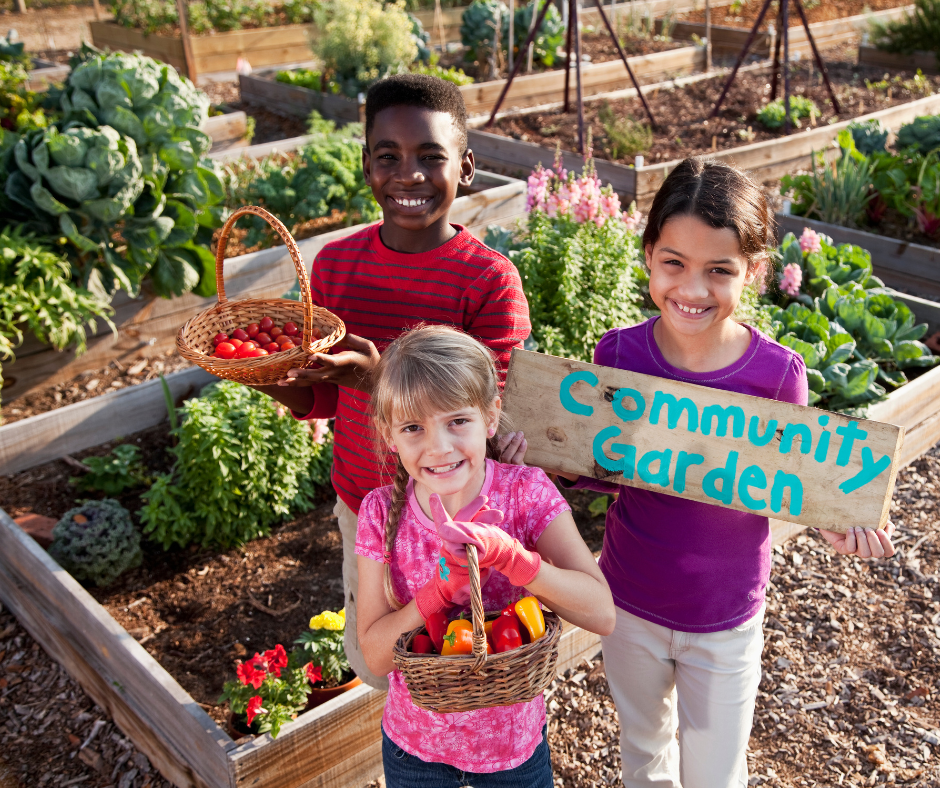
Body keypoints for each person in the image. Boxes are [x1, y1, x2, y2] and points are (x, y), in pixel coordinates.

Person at [549, 157, 897, 788]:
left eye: (719, 271)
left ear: (753, 273)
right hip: (630, 601)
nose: (693, 289)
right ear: (649, 255)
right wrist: (555, 459)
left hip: (727, 615)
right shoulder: (619, 353)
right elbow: (609, 468)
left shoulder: (777, 375)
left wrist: (831, 523)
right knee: (644, 751)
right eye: (674, 263)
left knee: (716, 774)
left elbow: (781, 479)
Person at [255, 74, 530, 691]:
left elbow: (481, 410)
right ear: (367, 167)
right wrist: (268, 377)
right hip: (365, 506)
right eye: (389, 157)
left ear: (467, 168)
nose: (409, 175)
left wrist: (377, 374)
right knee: (381, 663)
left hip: (460, 516)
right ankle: (408, 750)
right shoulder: (336, 268)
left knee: (465, 661)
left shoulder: (487, 280)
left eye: (432, 157)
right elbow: (322, 398)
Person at [355, 325, 616, 787]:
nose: (439, 447)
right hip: (415, 751)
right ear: (388, 434)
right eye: (414, 427)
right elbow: (375, 657)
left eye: (457, 421)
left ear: (491, 416)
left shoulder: (525, 493)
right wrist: (438, 593)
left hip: (513, 751)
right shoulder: (379, 512)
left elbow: (601, 613)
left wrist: (515, 559)